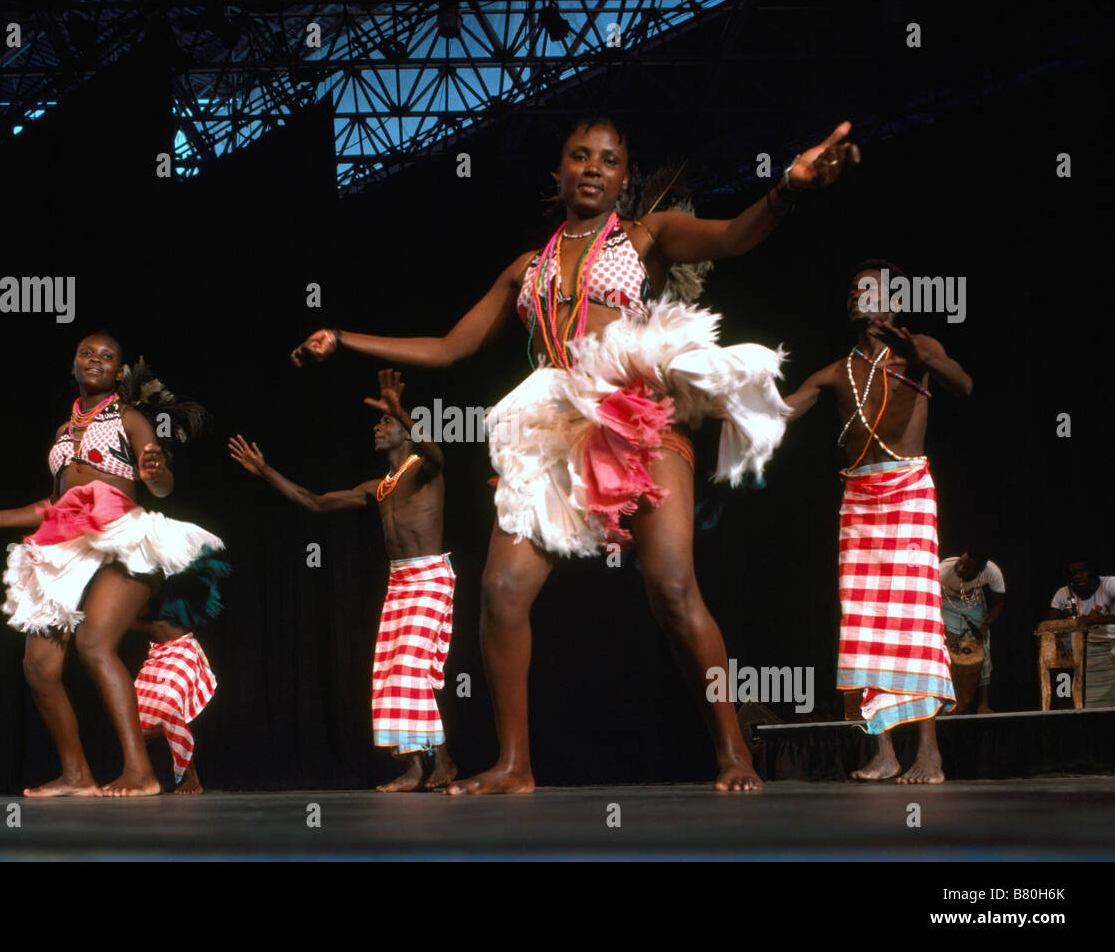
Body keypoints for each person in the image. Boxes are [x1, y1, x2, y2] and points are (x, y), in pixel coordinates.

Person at [290, 117, 861, 793]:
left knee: (672, 589)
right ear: (557, 174)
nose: (593, 167)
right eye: (579, 156)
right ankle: (514, 765)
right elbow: (451, 347)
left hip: (634, 413)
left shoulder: (647, 238)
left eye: (609, 160)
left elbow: (736, 235)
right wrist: (344, 337)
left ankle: (733, 750)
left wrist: (787, 189)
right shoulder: (525, 270)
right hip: (554, 428)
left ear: (624, 178)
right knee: (501, 592)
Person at [0, 333, 228, 797]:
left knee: (94, 642)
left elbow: (159, 485)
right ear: (74, 364)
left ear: (119, 373)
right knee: (39, 667)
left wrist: (157, 473)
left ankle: (140, 772)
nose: (96, 361)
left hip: (124, 537)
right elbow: (57, 504)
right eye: (87, 353)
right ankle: (76, 773)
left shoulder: (129, 417)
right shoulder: (64, 433)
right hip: (67, 544)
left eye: (107, 357)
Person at [784, 260, 973, 782]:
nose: (855, 294)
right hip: (858, 501)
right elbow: (780, 411)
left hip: (908, 491)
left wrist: (917, 355)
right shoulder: (836, 371)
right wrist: (722, 397)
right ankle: (884, 751)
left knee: (914, 621)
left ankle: (929, 752)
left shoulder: (920, 349)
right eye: (851, 288)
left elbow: (965, 384)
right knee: (865, 625)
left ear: (894, 298)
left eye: (865, 287)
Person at [229, 369, 456, 791]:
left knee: (409, 666)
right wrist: (265, 472)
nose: (377, 426)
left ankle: (440, 763)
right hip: (399, 583)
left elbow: (437, 452)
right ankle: (420, 767)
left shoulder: (424, 469)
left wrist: (401, 412)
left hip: (428, 576)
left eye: (383, 423)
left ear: (403, 434)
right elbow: (314, 503)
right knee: (394, 673)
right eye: (380, 421)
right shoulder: (379, 486)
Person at [131, 609, 216, 795]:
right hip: (159, 655)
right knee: (135, 716)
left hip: (183, 651)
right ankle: (145, 776)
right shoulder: (138, 592)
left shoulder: (171, 593)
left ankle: (192, 778)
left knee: (169, 708)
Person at [939, 549, 1005, 713]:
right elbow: (928, 600)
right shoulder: (943, 571)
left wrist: (985, 625)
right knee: (947, 651)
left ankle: (983, 704)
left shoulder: (992, 573)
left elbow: (999, 602)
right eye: (960, 563)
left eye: (967, 568)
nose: (960, 569)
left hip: (973, 599)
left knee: (982, 645)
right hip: (945, 600)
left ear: (980, 571)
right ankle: (943, 703)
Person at [1048, 559, 1115, 707]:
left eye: (1082, 571)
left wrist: (1100, 620)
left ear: (1091, 571)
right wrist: (1073, 621)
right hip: (1089, 647)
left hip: (1113, 643)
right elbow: (1052, 624)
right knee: (1092, 698)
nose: (1078, 576)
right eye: (1073, 573)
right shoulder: (1063, 593)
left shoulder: (1110, 583)